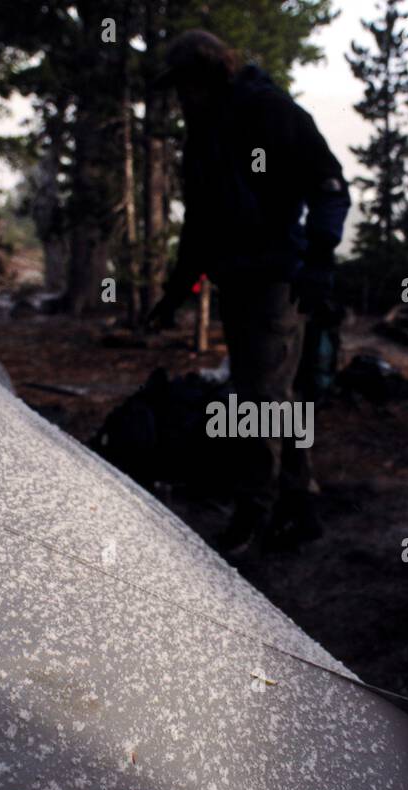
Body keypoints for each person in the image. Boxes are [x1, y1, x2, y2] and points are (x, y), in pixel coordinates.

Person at [144, 30, 350, 556]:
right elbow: (200, 226)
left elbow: (327, 182)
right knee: (271, 393)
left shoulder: (269, 111)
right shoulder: (205, 133)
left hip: (278, 279)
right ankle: (298, 505)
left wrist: (320, 258)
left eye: (187, 84)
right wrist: (175, 293)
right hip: (237, 279)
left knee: (260, 399)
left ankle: (255, 513)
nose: (182, 98)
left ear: (213, 73)